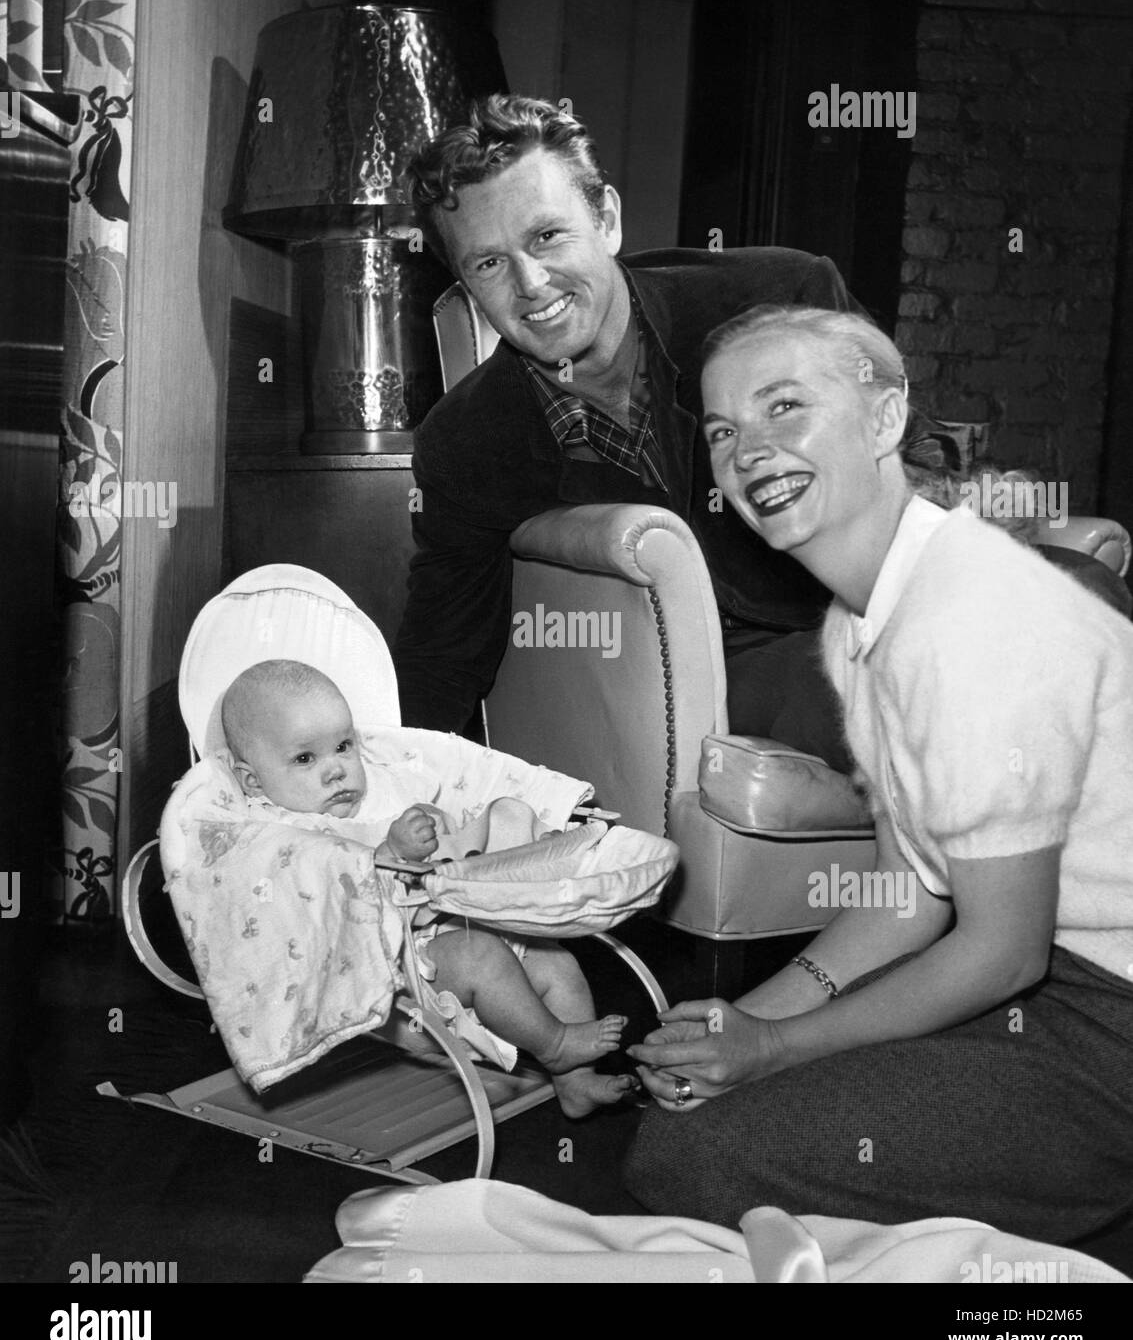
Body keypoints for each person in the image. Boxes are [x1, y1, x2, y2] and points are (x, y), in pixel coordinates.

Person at [623, 306, 1133, 1245]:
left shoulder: (966, 620)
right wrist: (733, 1027)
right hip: (1047, 984)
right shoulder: (861, 619)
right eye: (726, 432)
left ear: (886, 419)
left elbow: (1002, 950)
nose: (748, 452)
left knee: (697, 1155)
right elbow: (908, 892)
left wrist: (773, 1049)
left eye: (785, 407)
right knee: (688, 1121)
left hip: (1108, 1014)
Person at [393, 93, 862, 771]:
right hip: (752, 664)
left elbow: (908, 456)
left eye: (547, 236)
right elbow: (442, 651)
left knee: (1062, 602)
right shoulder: (467, 441)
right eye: (488, 264)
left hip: (883, 593)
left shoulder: (777, 295)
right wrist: (371, 789)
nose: (530, 284)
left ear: (606, 219)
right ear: (465, 283)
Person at [221, 659, 634, 1117]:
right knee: (482, 958)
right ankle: (555, 1045)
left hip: (448, 924)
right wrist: (394, 851)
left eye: (343, 746)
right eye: (305, 758)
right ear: (253, 780)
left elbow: (449, 837)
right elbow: (329, 894)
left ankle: (575, 1082)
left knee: (556, 963)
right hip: (391, 977)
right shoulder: (278, 834)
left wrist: (457, 830)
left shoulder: (381, 787)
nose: (335, 770)